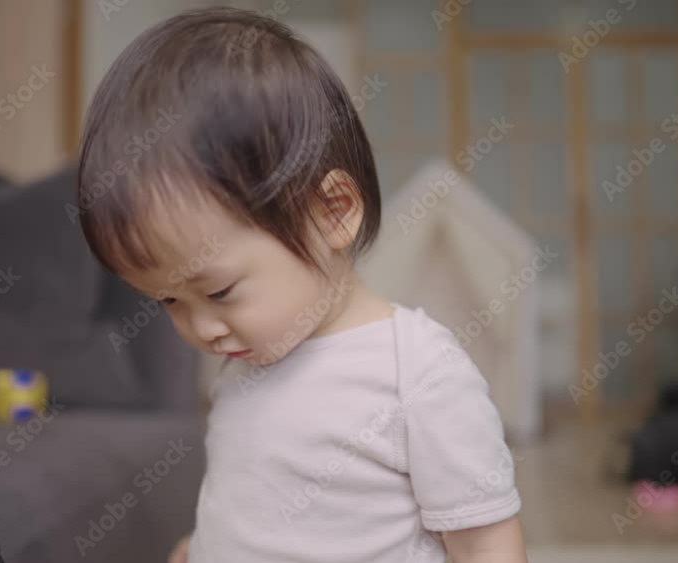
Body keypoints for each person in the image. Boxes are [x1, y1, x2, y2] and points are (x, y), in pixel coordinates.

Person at [77, 7, 527, 563]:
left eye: (218, 291)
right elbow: (255, 500)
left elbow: (485, 544)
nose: (201, 327)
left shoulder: (416, 370)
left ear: (332, 213)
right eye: (168, 300)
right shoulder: (246, 360)